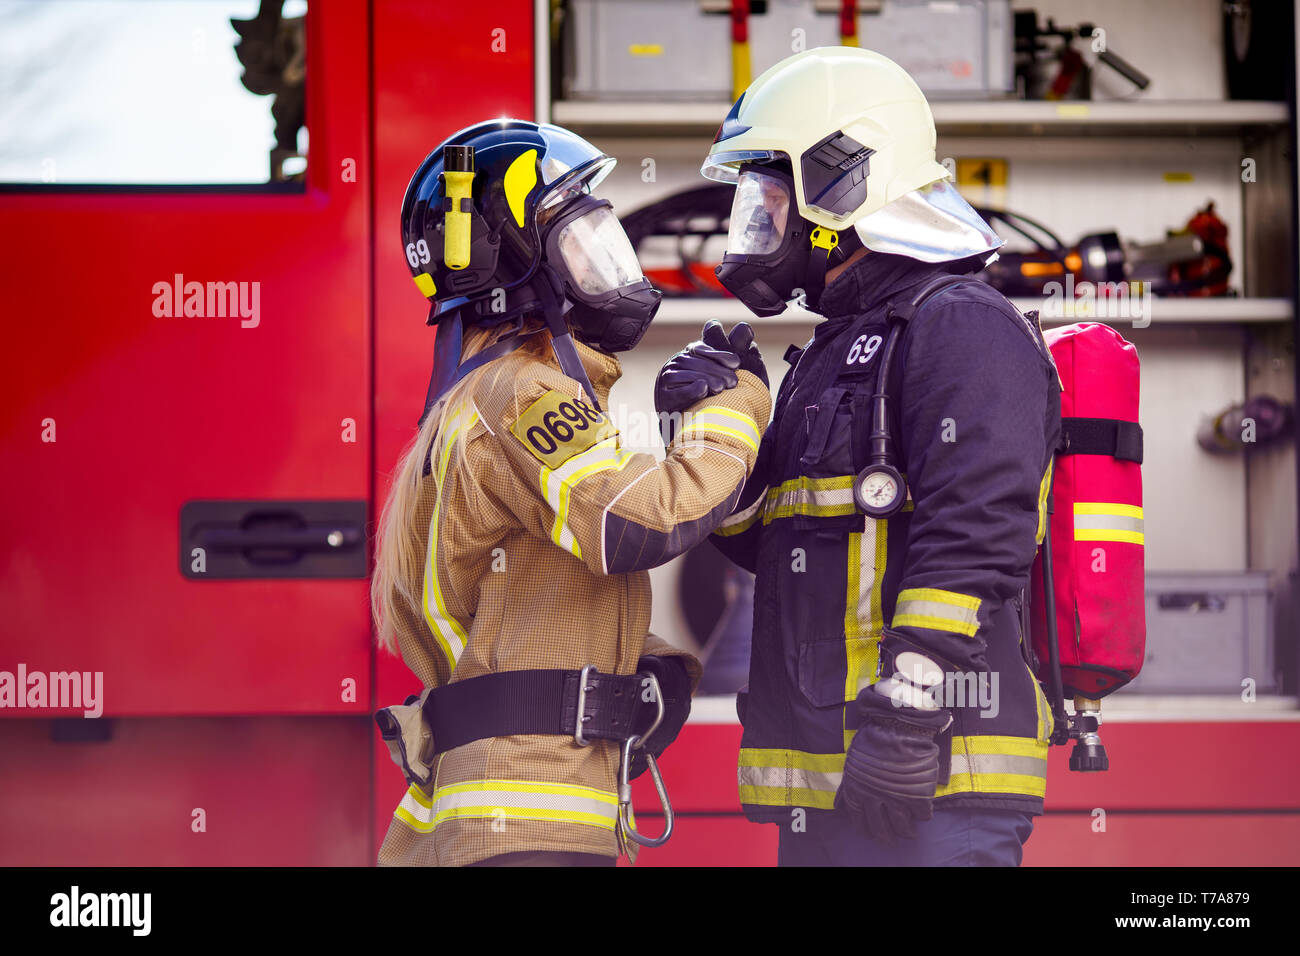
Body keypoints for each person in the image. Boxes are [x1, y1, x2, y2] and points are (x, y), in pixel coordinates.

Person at [666, 47, 1062, 866]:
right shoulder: (836, 349)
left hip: (932, 777)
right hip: (830, 784)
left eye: (771, 196)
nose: (757, 224)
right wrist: (713, 435)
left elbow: (979, 532)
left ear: (843, 184)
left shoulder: (961, 326)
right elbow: (769, 546)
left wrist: (909, 714)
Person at [371, 119, 771, 867]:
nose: (608, 265)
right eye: (580, 244)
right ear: (519, 270)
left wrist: (640, 669)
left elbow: (522, 612)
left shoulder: (485, 397)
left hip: (526, 805)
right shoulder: (522, 392)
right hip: (523, 812)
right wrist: (736, 406)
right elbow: (640, 524)